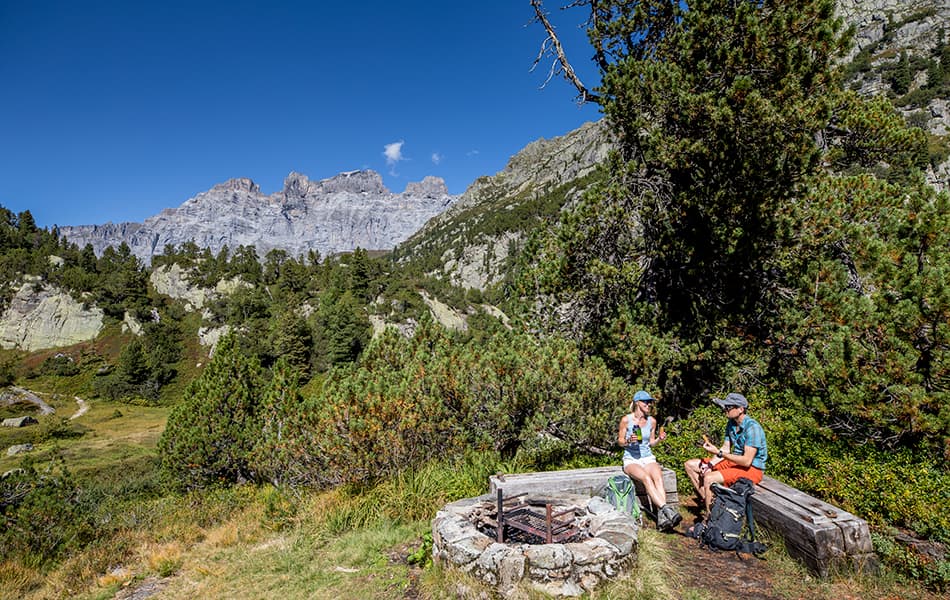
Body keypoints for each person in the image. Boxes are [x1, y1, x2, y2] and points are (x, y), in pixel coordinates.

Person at [684, 392, 768, 517]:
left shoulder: (752, 428)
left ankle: (710, 519)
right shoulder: (731, 423)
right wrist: (710, 464)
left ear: (740, 409)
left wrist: (719, 453)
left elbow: (746, 461)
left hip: (752, 469)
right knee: (690, 465)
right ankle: (712, 504)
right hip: (735, 463)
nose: (725, 410)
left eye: (728, 407)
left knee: (709, 478)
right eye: (725, 407)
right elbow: (726, 448)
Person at [618, 390, 681, 531]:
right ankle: (666, 510)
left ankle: (662, 519)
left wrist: (659, 439)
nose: (649, 404)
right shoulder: (626, 420)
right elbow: (620, 441)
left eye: (650, 402)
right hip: (631, 459)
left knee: (658, 478)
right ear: (637, 403)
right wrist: (628, 441)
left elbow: (651, 443)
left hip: (647, 457)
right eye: (645, 402)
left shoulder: (652, 421)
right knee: (646, 478)